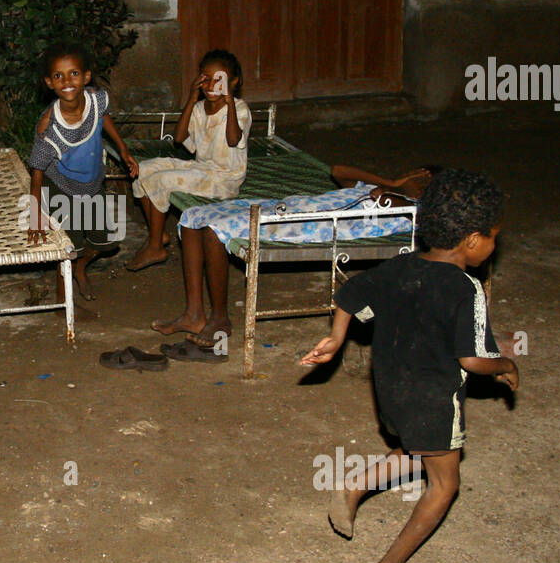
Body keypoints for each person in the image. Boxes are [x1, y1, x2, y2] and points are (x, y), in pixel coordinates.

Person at [299, 168, 519, 563]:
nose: (495, 245)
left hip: (390, 389)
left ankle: (353, 488)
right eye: (494, 236)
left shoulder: (400, 265)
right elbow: (473, 360)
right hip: (432, 396)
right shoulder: (466, 288)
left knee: (416, 449)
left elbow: (352, 292)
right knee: (444, 483)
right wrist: (507, 366)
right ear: (472, 240)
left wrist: (336, 336)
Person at [153, 165, 437, 347]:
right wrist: (393, 178)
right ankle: (194, 313)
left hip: (307, 224)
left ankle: (219, 318)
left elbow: (379, 195)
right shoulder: (388, 188)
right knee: (192, 217)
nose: (413, 176)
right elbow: (339, 171)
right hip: (291, 207)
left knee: (214, 230)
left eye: (421, 178)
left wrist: (399, 188)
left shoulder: (412, 210)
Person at [26, 42, 138, 302]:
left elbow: (103, 116)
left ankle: (80, 269)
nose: (67, 81)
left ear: (86, 77)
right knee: (68, 248)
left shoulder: (97, 99)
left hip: (92, 181)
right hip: (60, 185)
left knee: (105, 241)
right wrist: (35, 216)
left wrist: (123, 149)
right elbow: (37, 172)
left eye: (74, 73)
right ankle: (62, 304)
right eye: (58, 76)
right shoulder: (48, 129)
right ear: (49, 83)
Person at [126, 49, 252, 272]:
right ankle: (159, 235)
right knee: (142, 170)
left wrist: (229, 101)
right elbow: (179, 137)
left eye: (219, 80)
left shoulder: (240, 109)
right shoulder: (198, 109)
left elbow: (233, 139)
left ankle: (155, 245)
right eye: (206, 79)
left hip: (224, 178)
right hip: (202, 168)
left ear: (233, 82)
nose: (211, 85)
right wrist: (192, 98)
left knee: (161, 181)